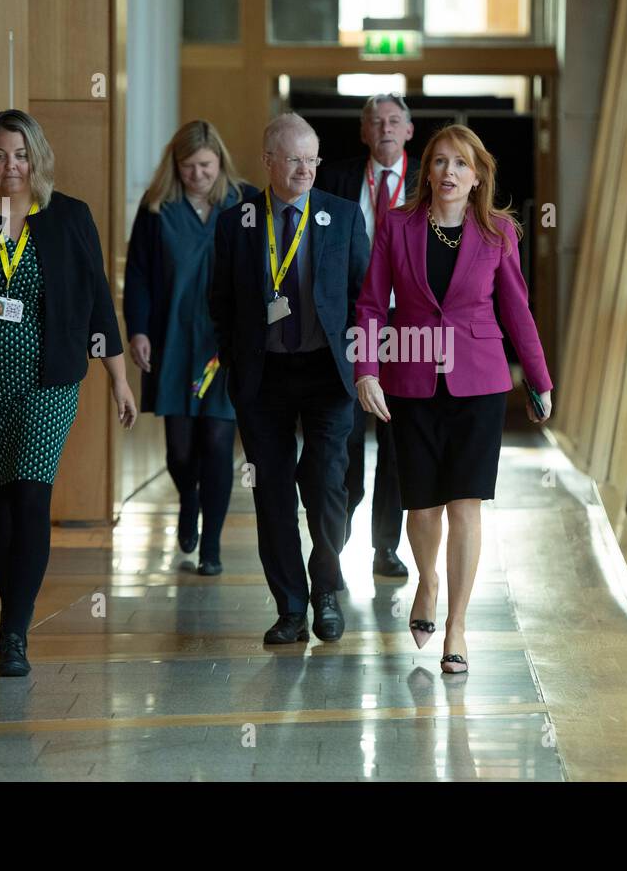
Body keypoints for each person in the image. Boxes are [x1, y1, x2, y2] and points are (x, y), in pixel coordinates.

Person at [0, 108, 137, 677]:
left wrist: (117, 378)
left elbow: (95, 304)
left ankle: (14, 630)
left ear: (37, 158)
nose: (10, 166)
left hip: (48, 382)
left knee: (32, 497)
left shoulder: (68, 217)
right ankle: (14, 614)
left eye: (20, 154)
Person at [354, 124, 553, 675]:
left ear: (477, 176)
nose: (448, 173)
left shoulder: (497, 234)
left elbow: (516, 310)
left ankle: (457, 624)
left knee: (466, 504)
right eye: (439, 162)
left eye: (461, 164)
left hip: (479, 385)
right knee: (421, 504)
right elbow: (371, 304)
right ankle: (428, 580)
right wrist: (366, 367)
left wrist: (538, 379)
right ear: (428, 171)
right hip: (411, 380)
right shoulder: (397, 227)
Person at [209, 113, 370, 644]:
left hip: (328, 374)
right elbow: (221, 301)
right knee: (272, 493)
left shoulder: (342, 216)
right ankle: (291, 607)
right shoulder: (238, 223)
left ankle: (325, 588)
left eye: (312, 159)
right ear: (269, 162)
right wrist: (235, 359)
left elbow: (363, 297)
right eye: (294, 159)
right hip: (265, 378)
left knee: (327, 486)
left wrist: (363, 363)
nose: (305, 169)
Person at [124, 121, 257, 576]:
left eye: (205, 165)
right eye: (188, 167)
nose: (198, 175)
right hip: (173, 339)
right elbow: (139, 272)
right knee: (180, 451)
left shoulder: (244, 202)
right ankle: (189, 498)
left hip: (224, 341)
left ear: (219, 160)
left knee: (219, 441)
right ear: (174, 166)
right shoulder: (158, 207)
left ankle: (212, 547)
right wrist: (137, 330)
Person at [315, 93, 419, 580]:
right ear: (363, 132)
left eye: (394, 120)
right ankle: (341, 528)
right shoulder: (335, 180)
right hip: (353, 323)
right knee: (347, 434)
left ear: (409, 131)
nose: (385, 128)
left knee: (398, 443)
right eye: (375, 122)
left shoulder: (429, 181)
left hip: (408, 328)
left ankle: (386, 547)